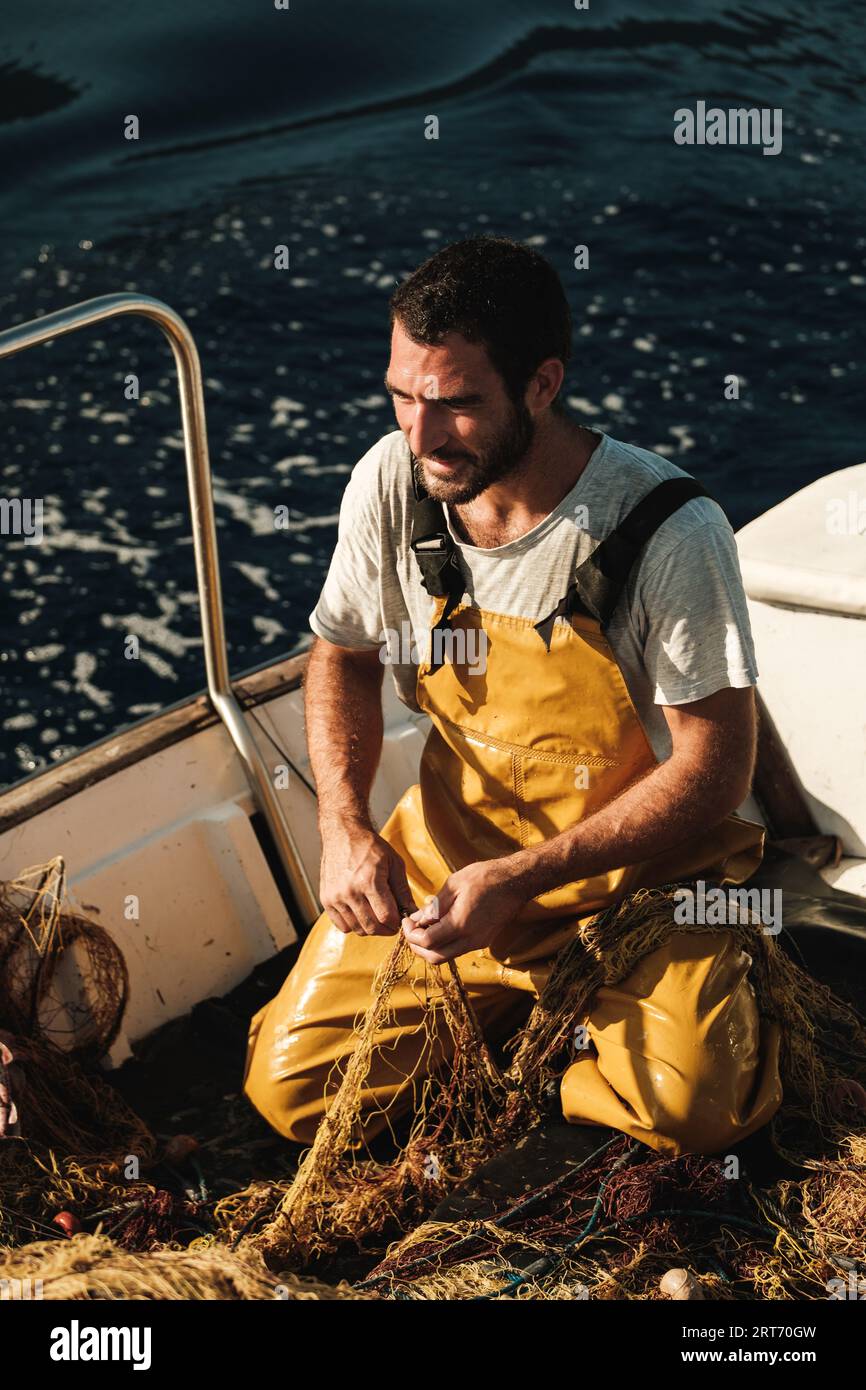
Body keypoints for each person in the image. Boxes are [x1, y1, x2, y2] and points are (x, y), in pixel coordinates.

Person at [244, 235, 782, 1156]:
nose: (421, 435)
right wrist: (342, 825)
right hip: (450, 869)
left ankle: (555, 1053)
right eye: (402, 397)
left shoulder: (668, 531)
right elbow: (343, 655)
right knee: (292, 1095)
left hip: (636, 893)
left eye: (456, 404)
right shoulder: (394, 480)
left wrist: (525, 879)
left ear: (542, 384)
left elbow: (716, 768)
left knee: (698, 1116)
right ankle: (531, 1025)